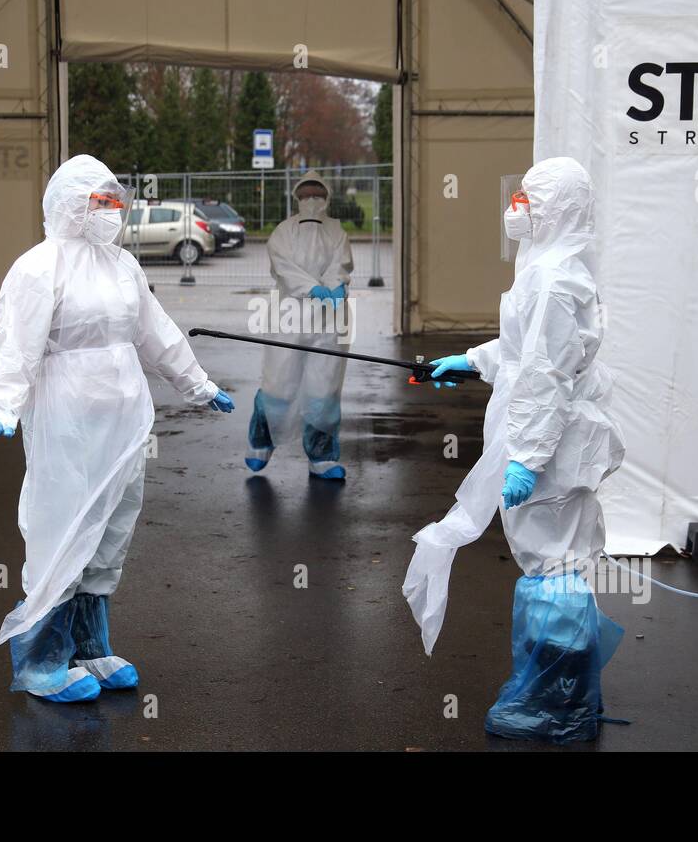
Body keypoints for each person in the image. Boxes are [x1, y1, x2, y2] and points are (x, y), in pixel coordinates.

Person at [0, 155, 235, 703]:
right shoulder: (38, 268)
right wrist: (1, 407)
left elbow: (154, 333)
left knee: (110, 530)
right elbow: (16, 347)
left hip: (124, 418)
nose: (110, 212)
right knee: (63, 529)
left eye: (115, 202)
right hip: (66, 416)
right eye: (99, 202)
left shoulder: (122, 266)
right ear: (69, 205)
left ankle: (91, 648)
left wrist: (198, 385)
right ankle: (43, 661)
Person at [402, 157, 626, 742]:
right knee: (552, 563)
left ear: (553, 210)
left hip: (548, 443)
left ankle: (557, 704)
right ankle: (559, 692)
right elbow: (525, 351)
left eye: (527, 199)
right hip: (547, 434)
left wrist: (527, 456)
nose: (515, 209)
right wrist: (473, 361)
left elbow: (547, 373)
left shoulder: (553, 279)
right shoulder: (546, 269)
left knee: (552, 561)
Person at [246, 170, 354, 479]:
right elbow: (283, 267)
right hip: (289, 316)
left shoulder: (337, 231)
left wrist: (334, 286)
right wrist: (314, 288)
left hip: (330, 321)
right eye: (305, 195)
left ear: (326, 198)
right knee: (279, 381)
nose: (311, 201)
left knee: (325, 387)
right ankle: (260, 444)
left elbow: (341, 264)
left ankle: (322, 458)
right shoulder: (283, 231)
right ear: (296, 198)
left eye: (316, 195)